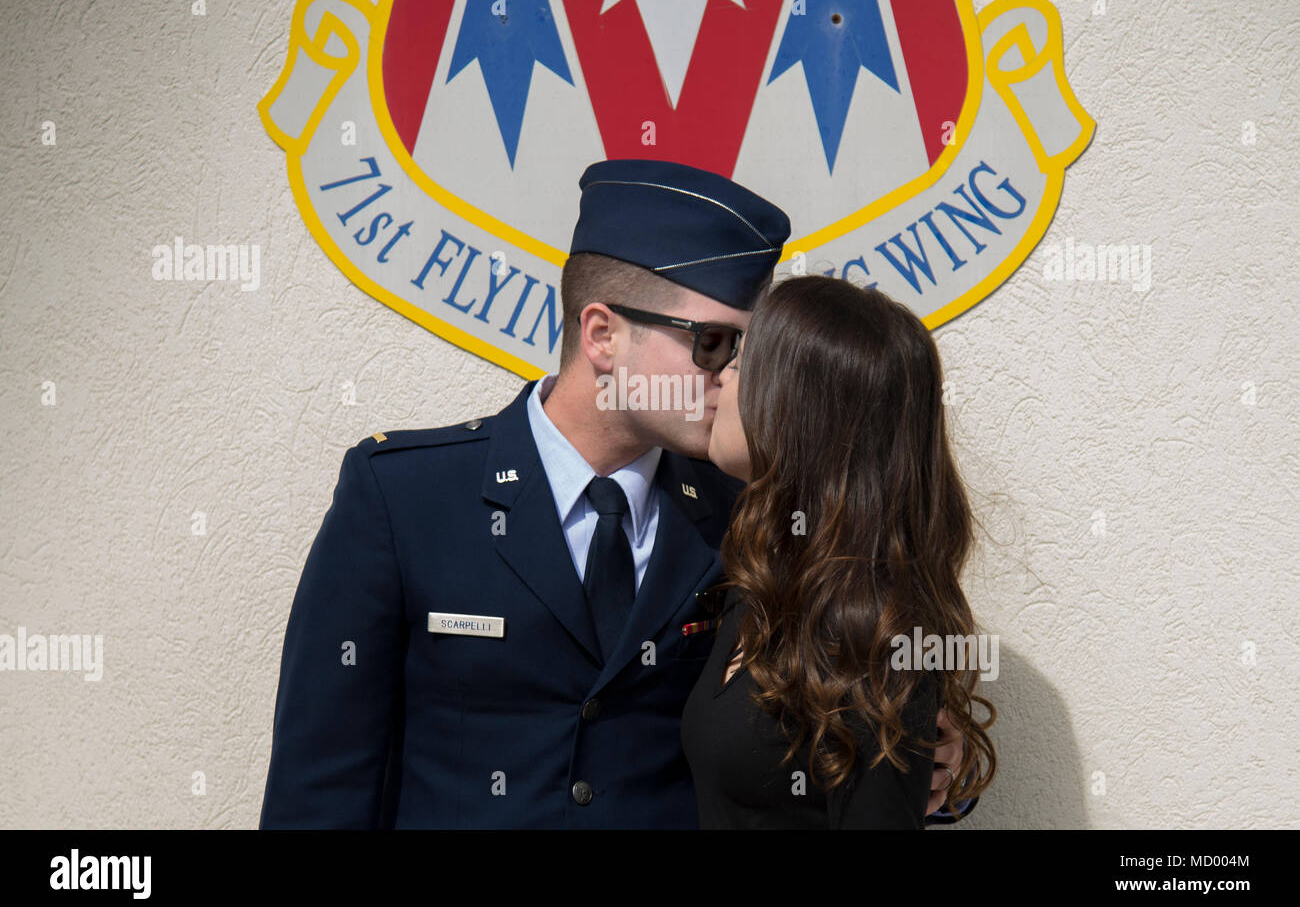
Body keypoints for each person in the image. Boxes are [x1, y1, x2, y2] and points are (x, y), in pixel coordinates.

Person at [259, 158, 972, 828]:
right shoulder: (405, 497)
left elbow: (824, 732)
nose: (734, 380)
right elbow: (320, 785)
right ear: (602, 335)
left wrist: (931, 766)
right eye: (714, 344)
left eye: (747, 354)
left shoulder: (746, 518)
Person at [681, 275, 996, 827]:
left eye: (741, 362)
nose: (719, 379)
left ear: (797, 409)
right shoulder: (763, 574)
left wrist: (927, 768)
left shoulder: (869, 635)